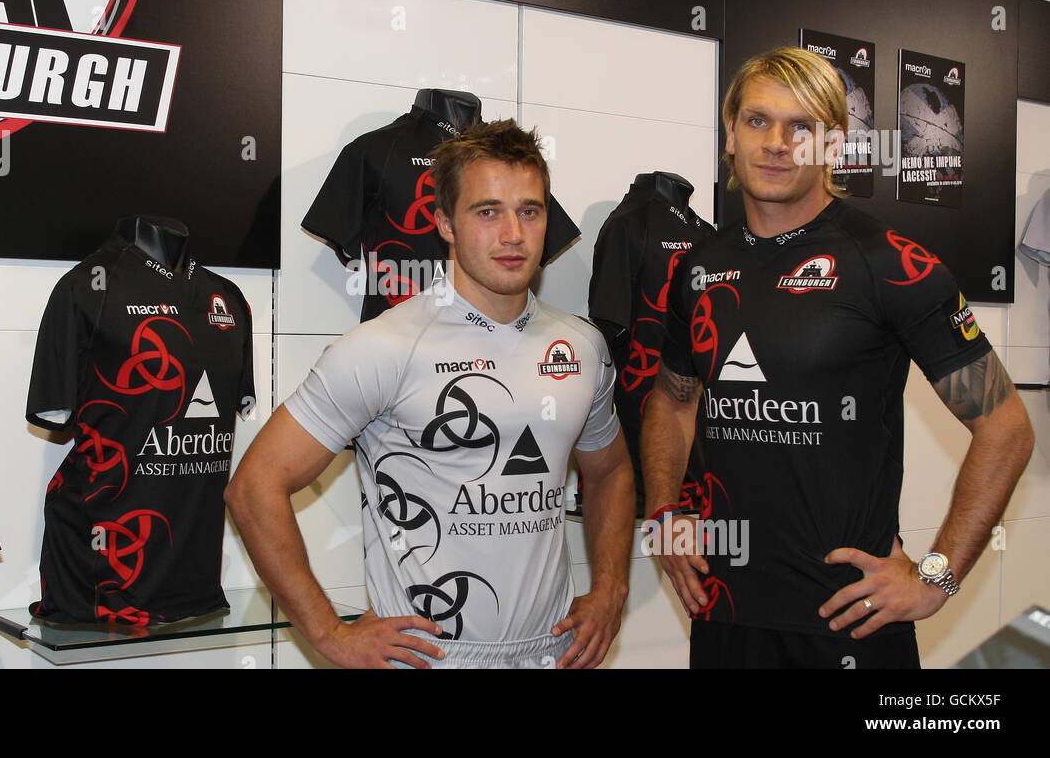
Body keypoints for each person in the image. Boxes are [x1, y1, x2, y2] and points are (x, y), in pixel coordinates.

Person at [641, 47, 1035, 668]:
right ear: (730, 132)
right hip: (723, 615)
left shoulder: (891, 264)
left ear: (834, 145)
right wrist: (665, 512)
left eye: (802, 127)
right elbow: (672, 398)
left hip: (847, 625)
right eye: (757, 120)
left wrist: (937, 576)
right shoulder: (699, 267)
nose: (776, 143)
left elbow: (1007, 428)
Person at [227, 119, 635, 668]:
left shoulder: (581, 346)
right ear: (445, 222)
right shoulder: (384, 346)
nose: (513, 233)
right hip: (430, 657)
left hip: (551, 654)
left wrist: (611, 592)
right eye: (487, 211)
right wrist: (328, 634)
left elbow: (609, 471)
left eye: (530, 211)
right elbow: (254, 488)